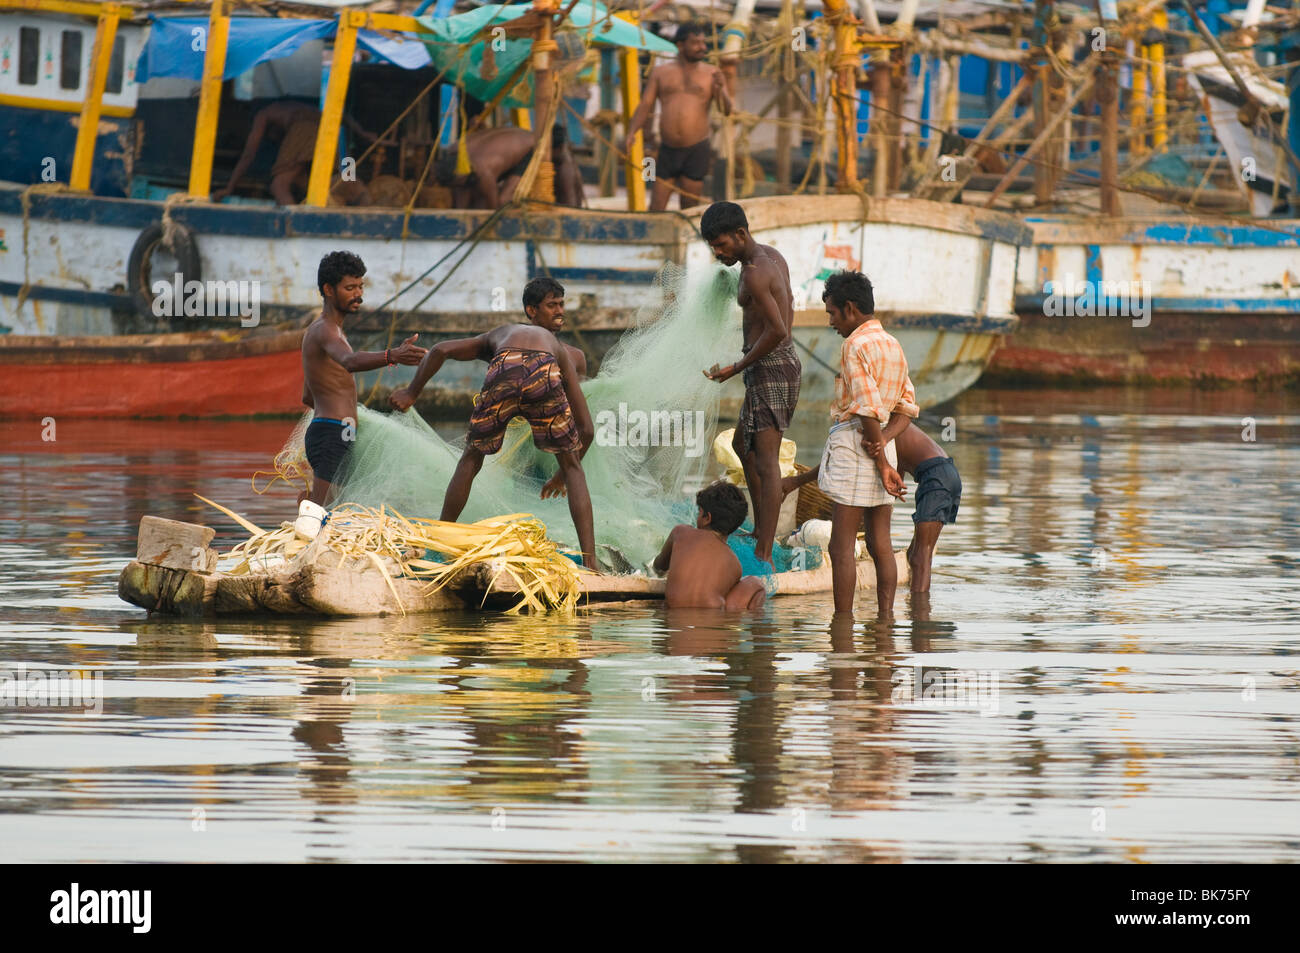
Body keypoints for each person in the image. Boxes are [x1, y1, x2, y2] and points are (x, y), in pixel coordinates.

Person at [387, 313, 599, 569]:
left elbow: (440, 349)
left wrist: (411, 393)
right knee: (573, 466)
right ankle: (592, 562)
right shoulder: (561, 352)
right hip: (544, 370)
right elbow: (586, 429)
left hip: (504, 368)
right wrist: (563, 474)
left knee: (471, 458)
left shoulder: (491, 338)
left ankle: (437, 541)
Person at [700, 201, 800, 569]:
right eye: (712, 246)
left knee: (768, 462)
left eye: (721, 245)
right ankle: (761, 530)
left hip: (772, 368)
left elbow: (779, 329)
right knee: (744, 445)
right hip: (767, 367)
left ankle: (764, 551)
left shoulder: (756, 273)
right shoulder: (768, 257)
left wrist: (736, 366)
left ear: (741, 235)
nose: (717, 252)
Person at [814, 270, 919, 618]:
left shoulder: (854, 345)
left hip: (860, 443)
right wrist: (885, 448)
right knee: (880, 542)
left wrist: (883, 463)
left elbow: (867, 407)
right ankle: (885, 619)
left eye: (831, 313)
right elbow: (906, 408)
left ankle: (842, 624)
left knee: (841, 543)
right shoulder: (892, 343)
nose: (830, 321)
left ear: (849, 309)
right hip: (881, 442)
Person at [301, 251, 426, 505]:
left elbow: (307, 395)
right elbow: (350, 361)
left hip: (339, 430)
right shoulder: (325, 330)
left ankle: (307, 504)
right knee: (319, 513)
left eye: (360, 286)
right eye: (349, 287)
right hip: (331, 432)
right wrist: (393, 355)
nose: (358, 294)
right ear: (328, 289)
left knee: (332, 509)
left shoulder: (331, 332)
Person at [784, 418, 960, 594]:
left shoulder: (881, 427)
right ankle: (913, 603)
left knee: (920, 556)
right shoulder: (893, 425)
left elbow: (837, 463)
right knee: (916, 552)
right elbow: (895, 472)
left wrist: (797, 481)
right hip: (947, 474)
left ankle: (920, 614)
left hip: (937, 478)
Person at [623, 21, 733, 210]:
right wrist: (632, 131)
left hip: (696, 149)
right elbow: (646, 104)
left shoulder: (712, 73)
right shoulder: (661, 73)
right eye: (696, 43)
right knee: (656, 206)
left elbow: (726, 110)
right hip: (668, 149)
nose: (702, 47)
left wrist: (721, 88)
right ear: (680, 45)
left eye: (703, 43)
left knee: (689, 206)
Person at [213, 101, 378, 205]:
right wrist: (362, 132)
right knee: (316, 183)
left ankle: (295, 222)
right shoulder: (297, 107)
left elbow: (249, 154)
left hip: (305, 129)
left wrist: (229, 187)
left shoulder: (264, 114)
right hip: (328, 131)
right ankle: (360, 196)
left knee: (279, 185)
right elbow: (342, 116)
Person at [653, 481, 766, 610]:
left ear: (707, 518)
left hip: (673, 622)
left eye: (699, 512)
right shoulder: (735, 564)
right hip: (714, 622)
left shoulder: (680, 532)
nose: (697, 516)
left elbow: (659, 566)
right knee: (756, 583)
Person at [435, 125, 584, 209]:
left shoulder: (482, 171)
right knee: (470, 193)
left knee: (505, 197)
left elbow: (496, 206)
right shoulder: (454, 152)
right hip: (518, 142)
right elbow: (461, 193)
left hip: (531, 149)